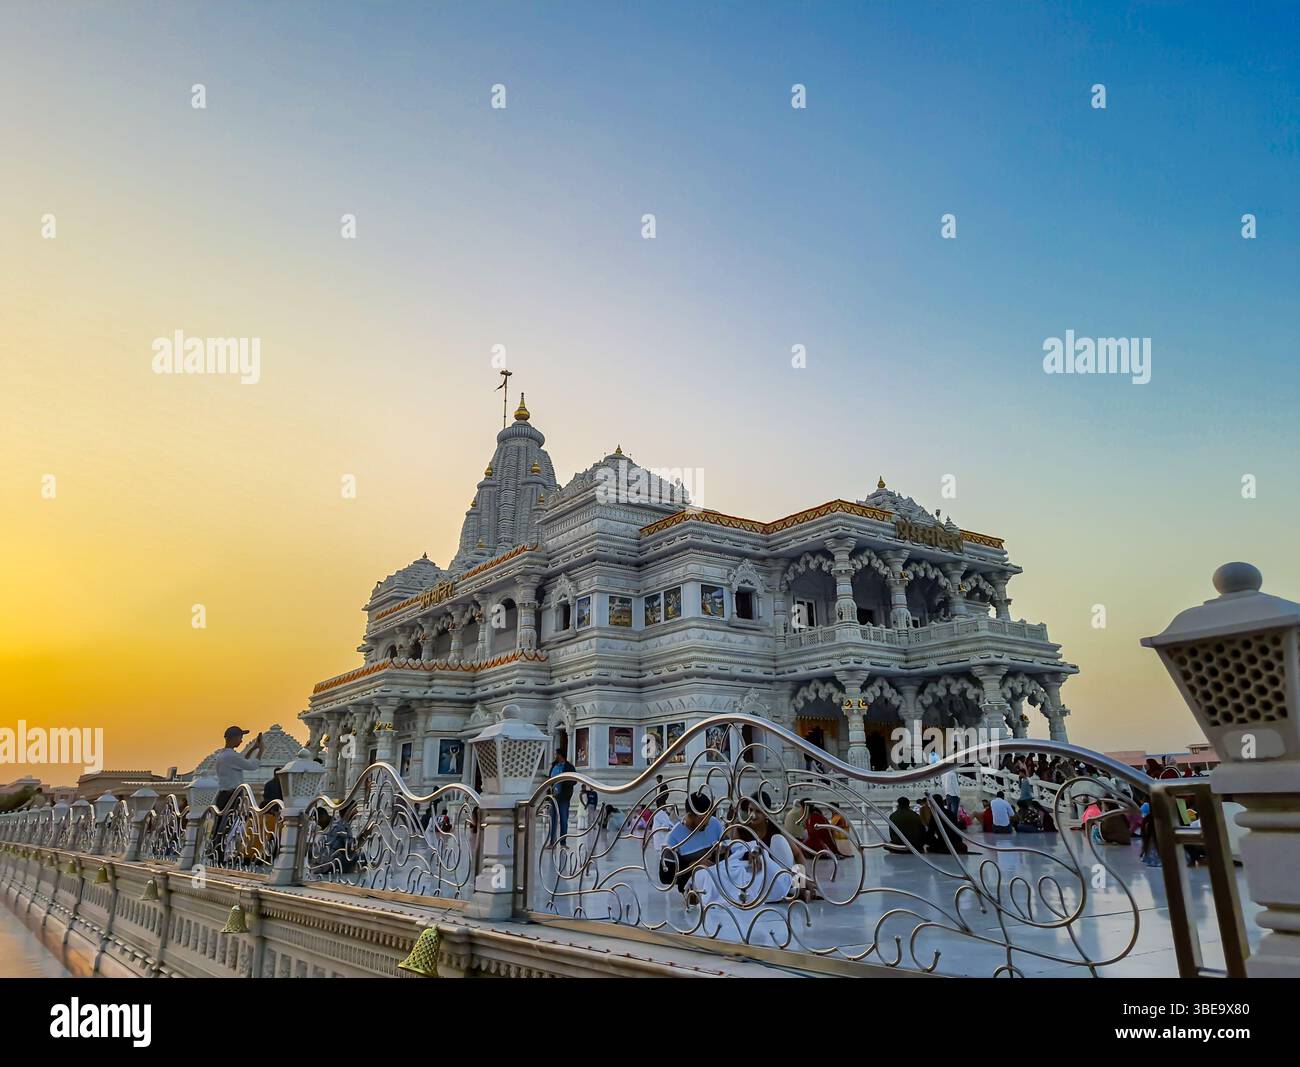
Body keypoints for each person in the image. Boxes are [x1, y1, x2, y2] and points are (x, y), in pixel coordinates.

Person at [661, 791, 724, 891]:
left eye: (709, 817)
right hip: (694, 892)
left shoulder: (714, 823)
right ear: (690, 815)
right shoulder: (673, 838)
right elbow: (666, 877)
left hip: (720, 884)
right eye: (703, 819)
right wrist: (695, 864)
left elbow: (730, 853)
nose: (707, 823)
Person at [214, 726, 264, 812]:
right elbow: (252, 766)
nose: (241, 741)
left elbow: (242, 760)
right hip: (231, 796)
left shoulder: (222, 755)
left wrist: (254, 748)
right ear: (234, 738)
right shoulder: (231, 756)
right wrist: (261, 750)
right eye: (240, 738)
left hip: (223, 795)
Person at [547, 749, 575, 846]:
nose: (555, 756)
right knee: (553, 820)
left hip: (564, 797)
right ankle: (552, 842)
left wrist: (564, 781)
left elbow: (574, 781)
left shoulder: (569, 767)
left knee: (563, 819)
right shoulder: (554, 766)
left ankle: (563, 842)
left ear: (560, 755)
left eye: (556, 754)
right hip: (553, 797)